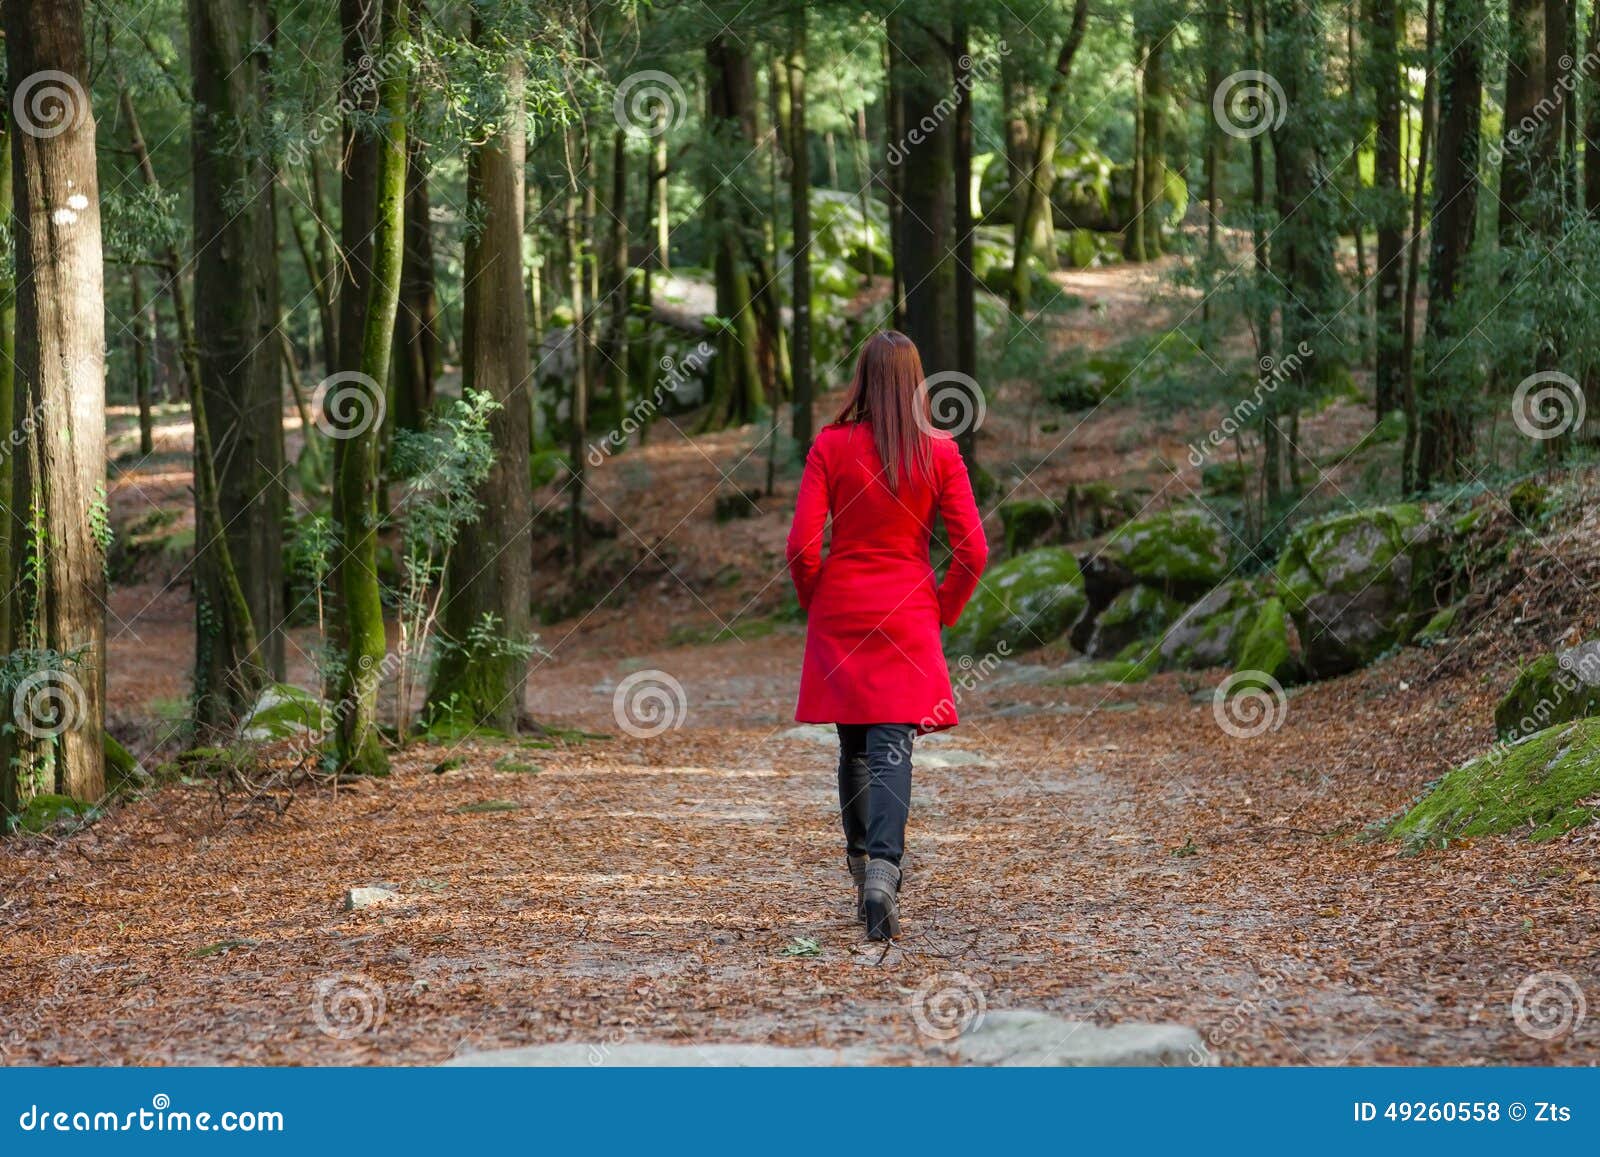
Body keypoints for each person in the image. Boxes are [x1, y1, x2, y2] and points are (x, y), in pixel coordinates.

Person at [785, 331, 989, 940]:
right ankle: (883, 872)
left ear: (863, 379)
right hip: (906, 610)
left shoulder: (830, 445)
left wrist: (815, 598)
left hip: (843, 607)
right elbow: (973, 550)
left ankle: (859, 864)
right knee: (893, 747)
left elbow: (800, 546)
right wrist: (942, 608)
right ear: (916, 381)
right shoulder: (940, 452)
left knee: (854, 746)